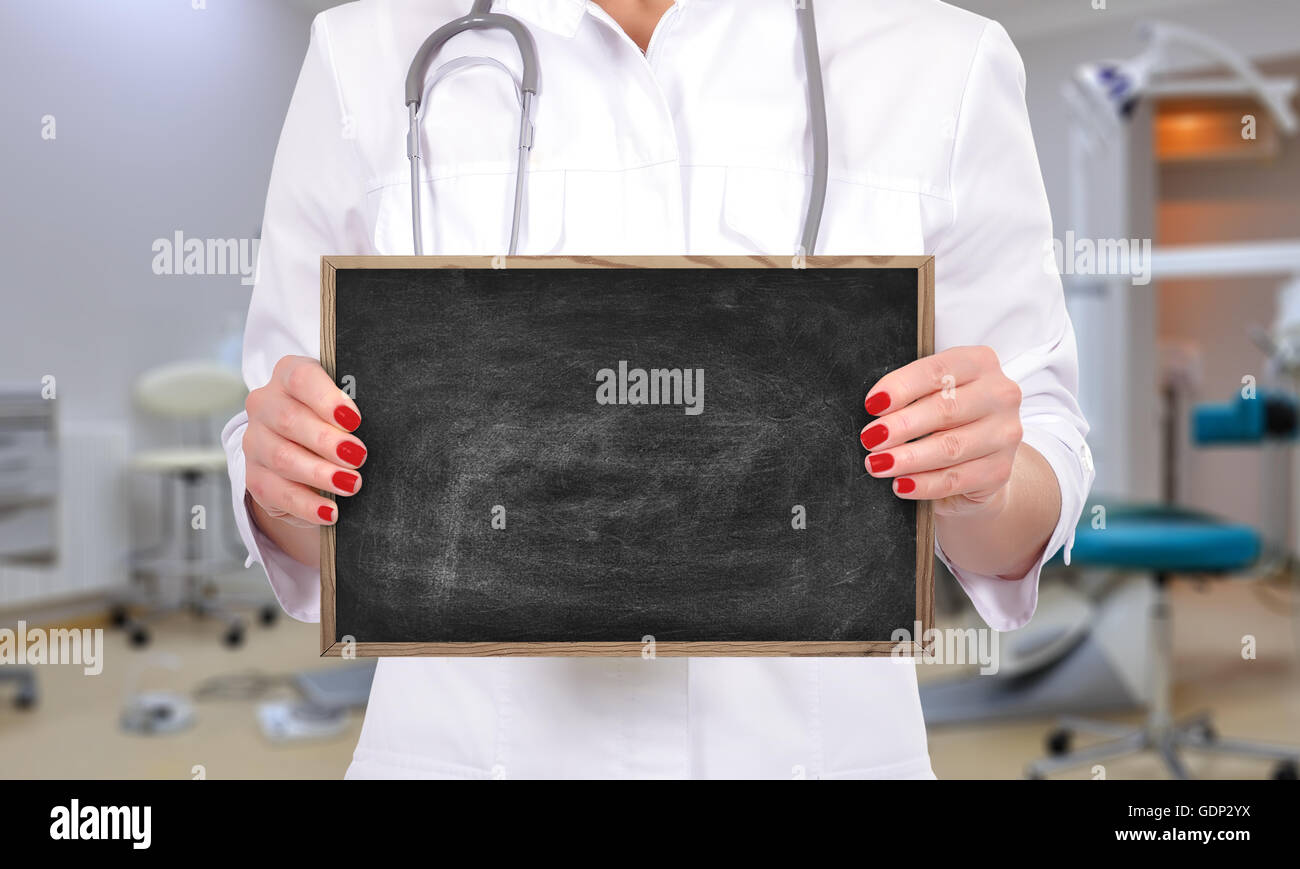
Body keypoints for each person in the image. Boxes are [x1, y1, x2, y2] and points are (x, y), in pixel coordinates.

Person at [223, 0, 1092, 779]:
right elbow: (289, 480)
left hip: (817, 753)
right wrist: (290, 476)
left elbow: (1034, 467)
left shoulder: (946, 61)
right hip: (466, 749)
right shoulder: (363, 52)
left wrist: (982, 479)